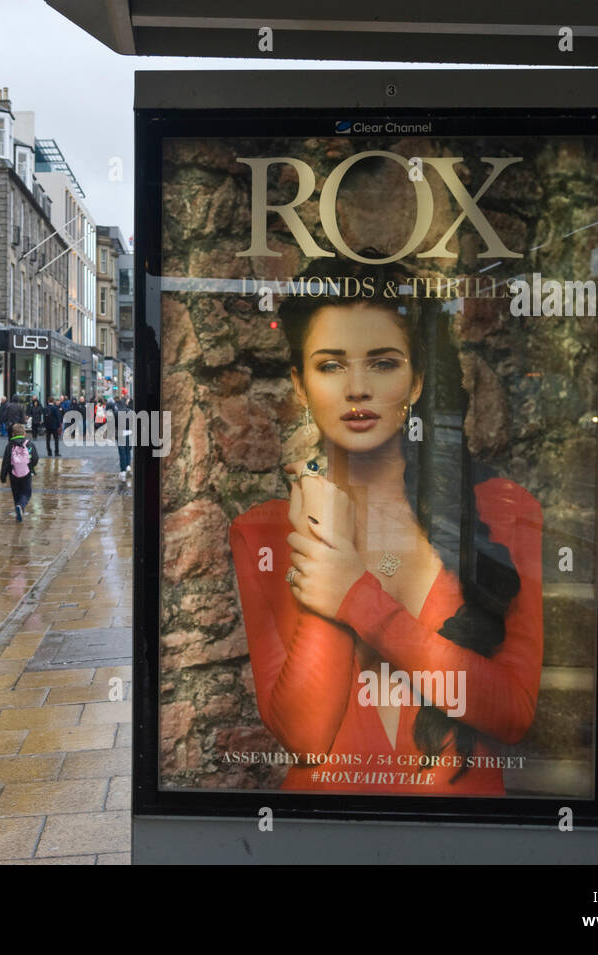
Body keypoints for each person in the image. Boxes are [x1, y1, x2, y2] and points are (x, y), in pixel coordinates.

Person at [229, 259, 542, 797]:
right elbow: (306, 738)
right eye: (329, 366)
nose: (356, 389)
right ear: (299, 387)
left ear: (416, 381)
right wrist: (325, 539)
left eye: (382, 363)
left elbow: (513, 712)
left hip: (464, 842)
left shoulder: (504, 513)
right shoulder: (261, 534)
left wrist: (356, 597)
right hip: (322, 840)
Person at [0, 423, 39, 521]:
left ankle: (18, 510)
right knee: (26, 492)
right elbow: (35, 458)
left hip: (13, 473)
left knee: (16, 493)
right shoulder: (29, 444)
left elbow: (5, 461)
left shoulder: (10, 445)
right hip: (26, 472)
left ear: (13, 434)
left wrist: (3, 475)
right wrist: (30, 466)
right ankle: (21, 506)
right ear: (24, 433)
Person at [114, 396, 133, 477]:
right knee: (128, 450)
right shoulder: (130, 411)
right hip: (128, 433)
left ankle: (123, 471)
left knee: (122, 453)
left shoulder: (116, 412)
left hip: (120, 433)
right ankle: (128, 466)